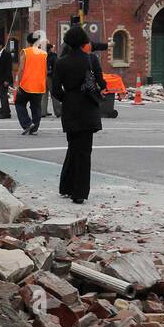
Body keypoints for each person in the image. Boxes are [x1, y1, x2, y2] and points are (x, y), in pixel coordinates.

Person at [51, 26, 105, 205]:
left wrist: (67, 98)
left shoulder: (61, 62)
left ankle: (66, 185)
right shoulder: (91, 60)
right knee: (84, 152)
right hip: (88, 107)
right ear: (84, 42)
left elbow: (55, 89)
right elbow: (101, 82)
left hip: (70, 107)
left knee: (73, 146)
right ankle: (79, 192)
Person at [15, 33, 48, 136]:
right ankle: (34, 127)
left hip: (26, 84)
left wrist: (17, 83)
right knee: (36, 107)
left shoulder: (25, 52)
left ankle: (27, 124)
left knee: (19, 103)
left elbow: (21, 69)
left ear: (28, 42)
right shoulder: (44, 54)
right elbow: (45, 71)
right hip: (39, 85)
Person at [0, 39, 16, 119]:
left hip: (4, 80)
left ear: (1, 46)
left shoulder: (7, 54)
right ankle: (6, 111)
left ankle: (5, 113)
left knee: (3, 96)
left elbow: (9, 68)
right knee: (2, 96)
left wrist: (7, 80)